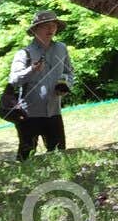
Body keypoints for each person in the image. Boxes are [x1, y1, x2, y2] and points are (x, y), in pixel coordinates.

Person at [8, 9, 76, 160]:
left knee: (59, 155)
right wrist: (31, 70)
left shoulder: (61, 48)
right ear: (35, 30)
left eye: (54, 25)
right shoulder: (24, 53)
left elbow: (69, 72)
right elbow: (13, 80)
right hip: (29, 114)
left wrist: (65, 86)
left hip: (54, 111)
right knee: (26, 157)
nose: (50, 29)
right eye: (46, 26)